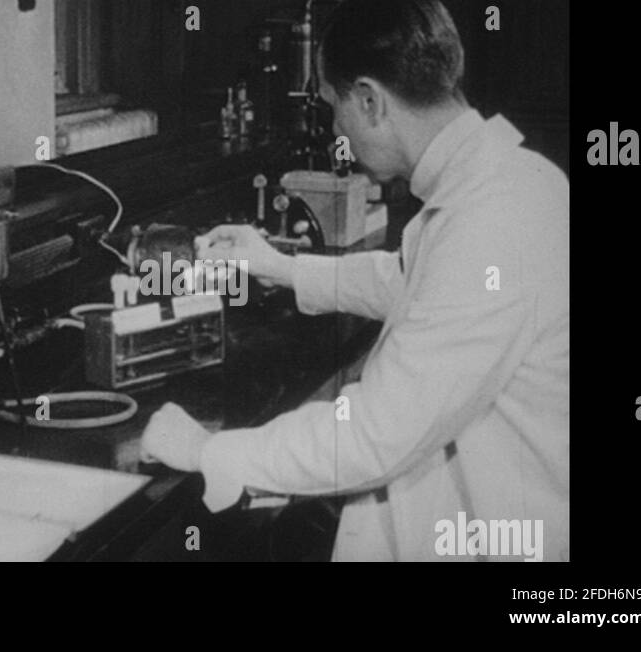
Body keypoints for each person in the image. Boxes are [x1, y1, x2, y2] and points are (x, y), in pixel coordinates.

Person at [141, 0, 568, 561]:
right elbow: (413, 283)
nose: (336, 126)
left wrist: (210, 450)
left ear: (369, 101)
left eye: (331, 106)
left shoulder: (492, 215)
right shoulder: (510, 181)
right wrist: (281, 266)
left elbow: (375, 434)